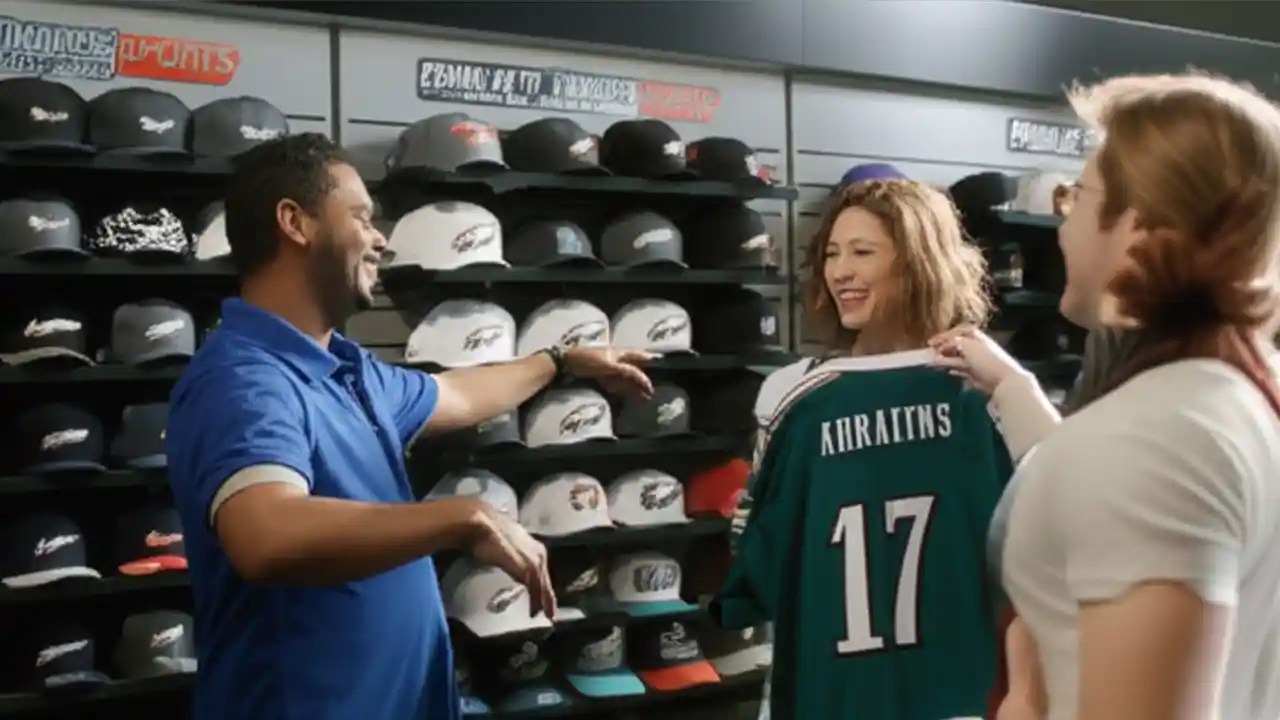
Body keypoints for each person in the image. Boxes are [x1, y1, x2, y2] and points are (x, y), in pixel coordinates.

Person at [164, 133, 656, 720]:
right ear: (295, 223)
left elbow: (456, 393)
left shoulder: (347, 370)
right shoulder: (245, 379)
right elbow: (266, 535)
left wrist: (560, 360)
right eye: (363, 218)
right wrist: (459, 518)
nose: (381, 240)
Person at [932, 72, 1280, 720]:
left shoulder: (1152, 441)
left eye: (1078, 197)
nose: (1064, 228)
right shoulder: (1229, 400)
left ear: (1139, 223)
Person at [717, 179, 1013, 719]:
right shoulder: (792, 395)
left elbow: (754, 568)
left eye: (862, 252)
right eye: (832, 253)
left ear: (919, 260)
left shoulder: (988, 390)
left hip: (931, 697)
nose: (840, 272)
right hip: (862, 693)